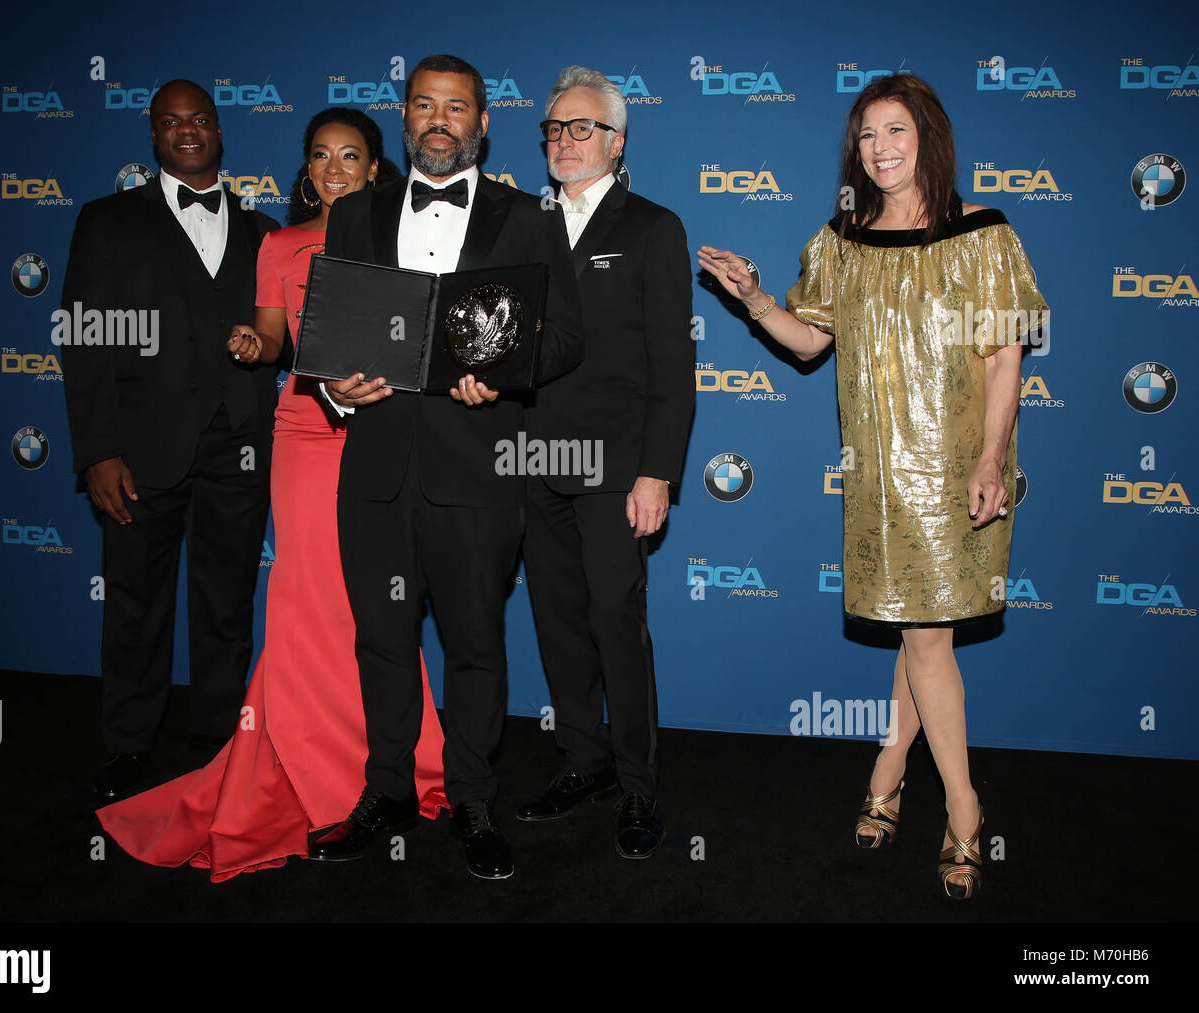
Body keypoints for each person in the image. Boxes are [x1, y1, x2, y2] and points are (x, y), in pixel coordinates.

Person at [698, 74, 1046, 899]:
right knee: (915, 627)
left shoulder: (984, 234)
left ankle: (963, 808)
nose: (881, 149)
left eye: (895, 131)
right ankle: (889, 765)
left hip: (960, 473)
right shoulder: (843, 243)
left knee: (926, 636)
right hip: (879, 477)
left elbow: (1005, 357)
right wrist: (751, 299)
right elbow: (810, 341)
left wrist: (992, 459)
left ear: (928, 136)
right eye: (866, 136)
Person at [95, 109, 448, 882]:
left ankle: (396, 757)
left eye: (350, 155)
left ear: (375, 168)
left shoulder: (405, 239)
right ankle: (306, 762)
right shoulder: (279, 243)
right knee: (307, 597)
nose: (333, 167)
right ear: (306, 167)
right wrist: (256, 344)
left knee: (380, 603)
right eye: (320, 155)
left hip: (387, 434)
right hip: (306, 439)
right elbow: (272, 332)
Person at [312, 54, 583, 880]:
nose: (439, 120)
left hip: (479, 473)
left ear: (483, 122)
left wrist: (502, 372)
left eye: (456, 107)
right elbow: (330, 333)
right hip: (377, 471)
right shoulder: (353, 213)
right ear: (404, 117)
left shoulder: (531, 219)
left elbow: (566, 336)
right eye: (423, 105)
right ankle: (388, 789)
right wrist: (338, 391)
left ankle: (470, 797)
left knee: (474, 643)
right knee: (383, 640)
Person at [60, 80, 279, 802]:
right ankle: (128, 743)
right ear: (153, 135)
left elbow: (280, 336)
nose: (186, 132)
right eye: (170, 122)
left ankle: (218, 739)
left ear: (219, 131)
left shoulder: (261, 230)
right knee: (136, 603)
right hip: (140, 451)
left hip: (238, 450)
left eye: (198, 120)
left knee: (226, 603)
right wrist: (97, 450)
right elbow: (86, 341)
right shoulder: (107, 221)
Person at [515, 67, 693, 860]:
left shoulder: (654, 227)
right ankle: (582, 761)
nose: (562, 139)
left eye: (579, 127)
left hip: (617, 465)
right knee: (556, 620)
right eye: (554, 128)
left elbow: (670, 368)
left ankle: (638, 786)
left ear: (617, 141)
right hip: (531, 457)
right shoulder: (521, 224)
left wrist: (657, 472)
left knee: (617, 623)